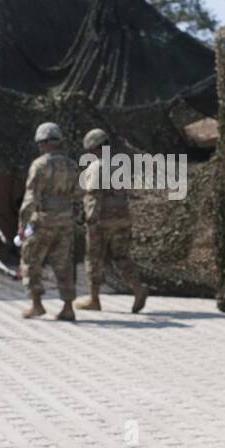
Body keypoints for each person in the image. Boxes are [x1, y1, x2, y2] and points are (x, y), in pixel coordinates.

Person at [77, 128, 148, 313]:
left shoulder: (96, 167)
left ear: (94, 148)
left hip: (102, 222)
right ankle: (138, 288)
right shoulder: (119, 165)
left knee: (93, 258)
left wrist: (89, 220)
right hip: (122, 219)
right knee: (121, 257)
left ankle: (94, 299)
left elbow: (94, 196)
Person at [18, 122, 80, 321]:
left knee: (31, 261)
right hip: (65, 221)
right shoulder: (72, 165)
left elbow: (30, 198)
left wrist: (22, 225)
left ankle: (37, 305)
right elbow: (79, 193)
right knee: (64, 263)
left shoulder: (40, 165)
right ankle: (68, 307)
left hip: (42, 222)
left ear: (42, 142)